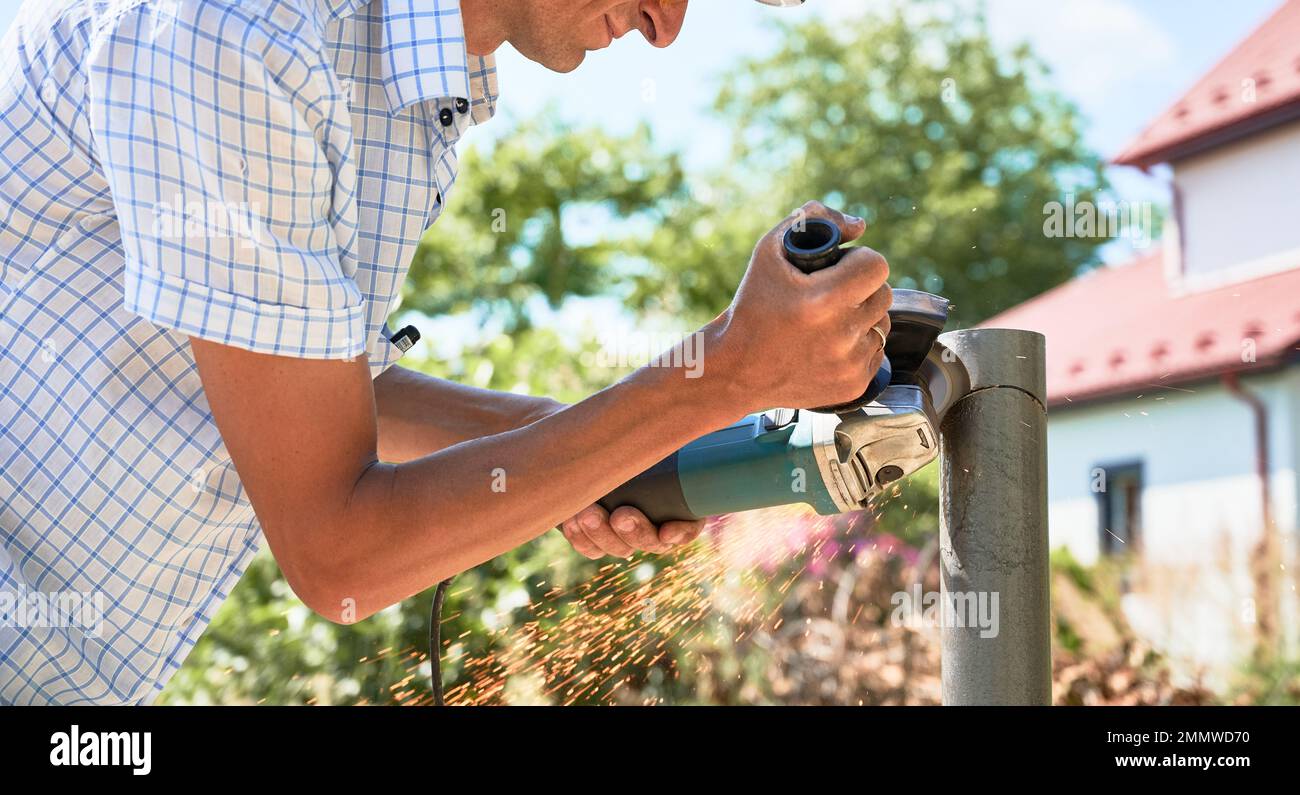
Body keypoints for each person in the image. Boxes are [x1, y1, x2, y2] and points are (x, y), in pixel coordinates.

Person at [0, 0, 890, 704]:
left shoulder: (401, 91)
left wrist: (591, 453)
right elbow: (338, 554)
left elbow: (311, 386)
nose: (668, 24)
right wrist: (726, 371)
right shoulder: (241, 30)